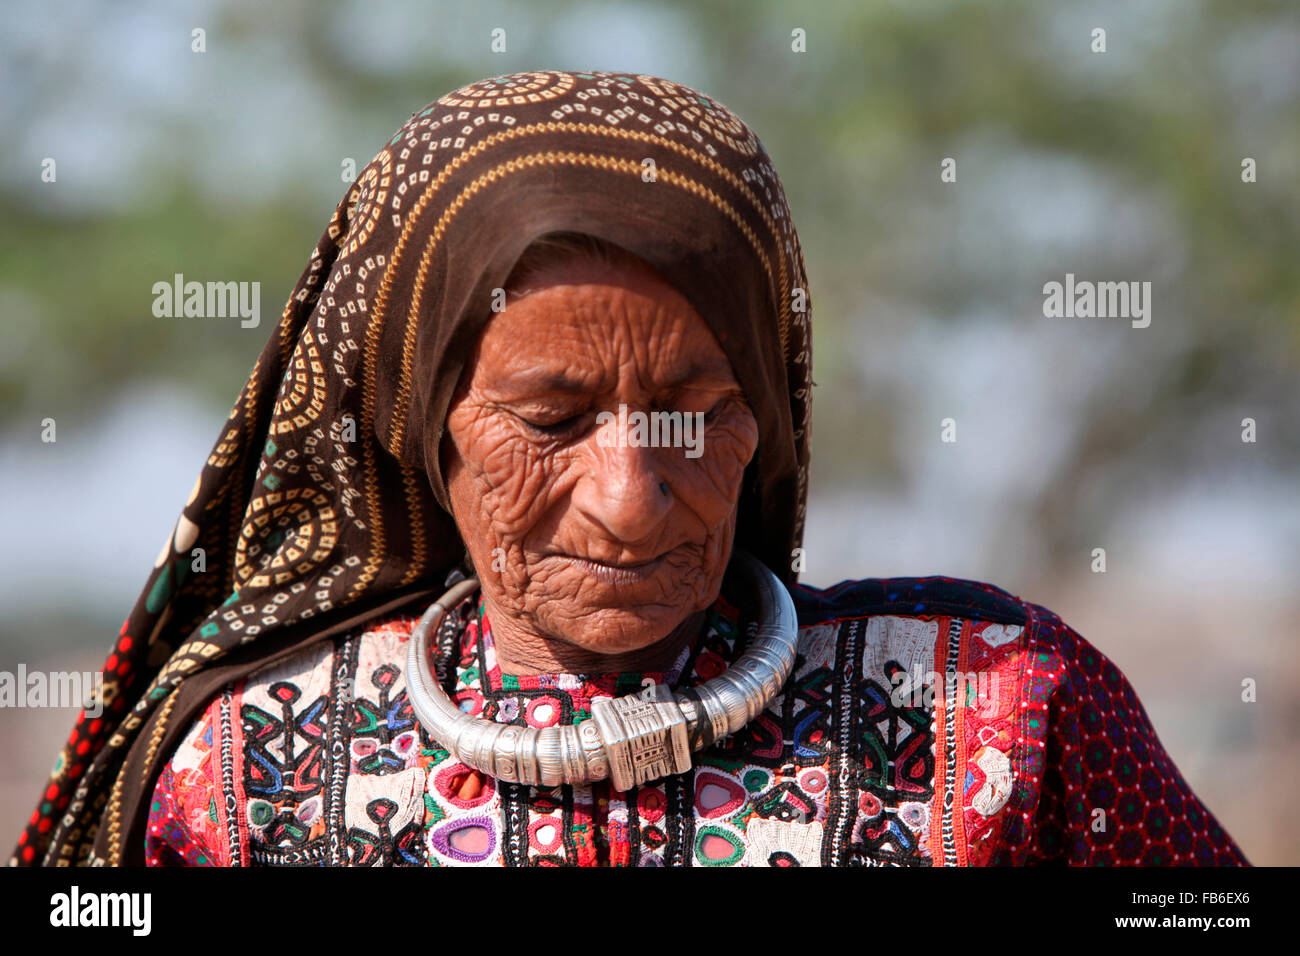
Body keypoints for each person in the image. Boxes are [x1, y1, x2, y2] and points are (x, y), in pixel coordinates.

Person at [13, 70, 1247, 867]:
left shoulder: (1007, 711)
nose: (629, 498)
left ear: (769, 412)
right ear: (421, 427)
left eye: (696, 413)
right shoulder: (241, 787)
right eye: (549, 420)